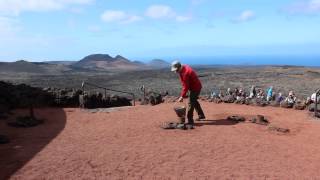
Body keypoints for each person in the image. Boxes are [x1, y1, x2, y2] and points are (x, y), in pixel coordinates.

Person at [171, 60, 206, 128]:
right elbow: (186, 85)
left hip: (195, 88)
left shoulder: (185, 73)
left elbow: (185, 86)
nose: (175, 72)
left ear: (178, 68)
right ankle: (201, 115)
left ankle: (190, 120)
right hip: (194, 87)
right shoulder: (183, 67)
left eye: (176, 70)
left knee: (190, 102)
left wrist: (182, 96)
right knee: (194, 101)